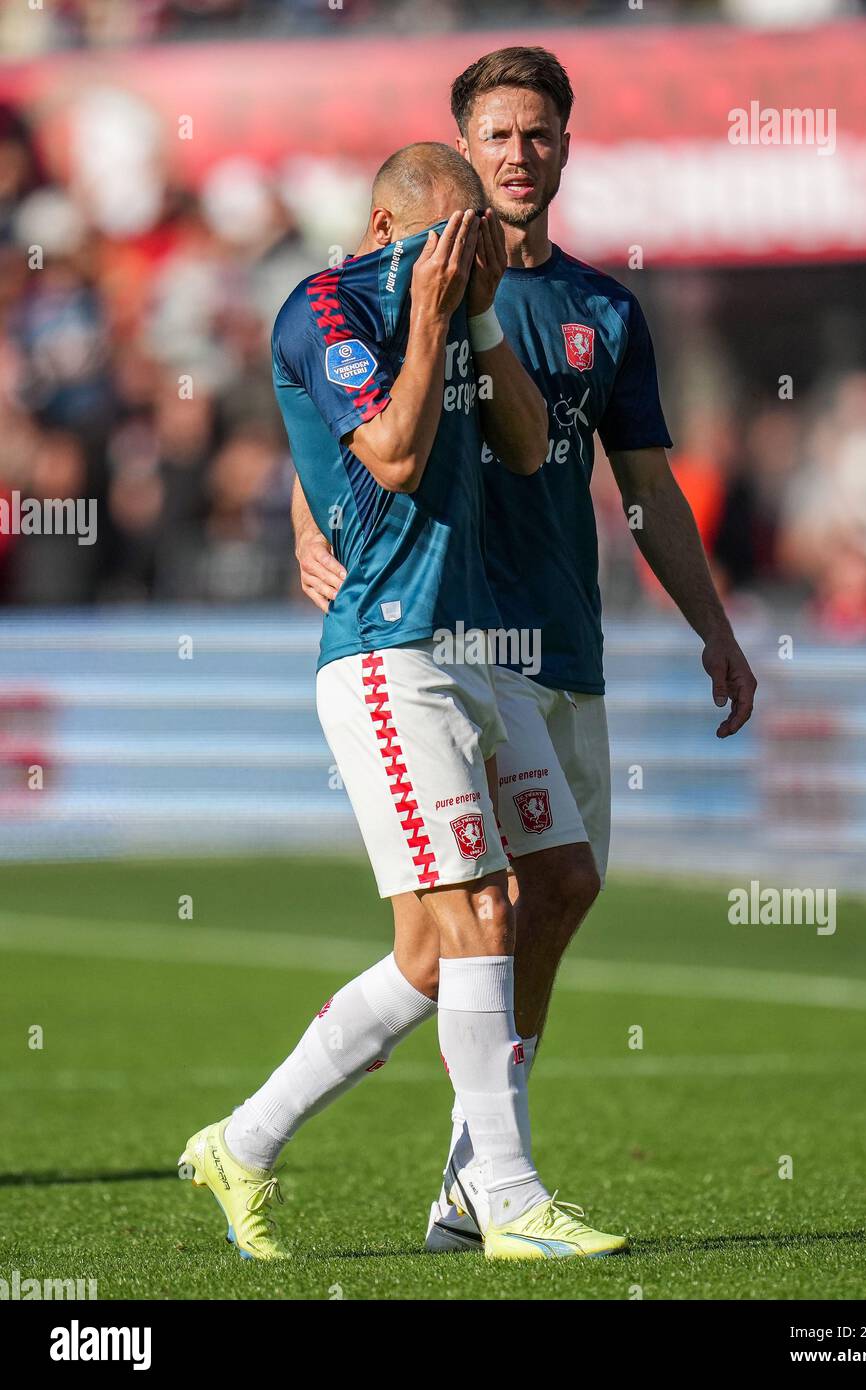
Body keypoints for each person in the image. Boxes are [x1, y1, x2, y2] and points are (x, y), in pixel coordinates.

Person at [292, 49, 758, 1253]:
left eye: (537, 133)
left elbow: (646, 489)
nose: (516, 152)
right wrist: (308, 516)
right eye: (495, 133)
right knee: (475, 917)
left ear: (564, 146)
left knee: (547, 897)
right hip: (450, 647)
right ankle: (490, 1177)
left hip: (565, 643)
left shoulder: (605, 311)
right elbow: (334, 417)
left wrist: (711, 622)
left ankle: (433, 1162)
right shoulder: (400, 282)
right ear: (463, 140)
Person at [180, 141, 628, 1262]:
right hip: (391, 650)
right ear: (386, 229)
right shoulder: (321, 309)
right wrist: (432, 320)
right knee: (475, 913)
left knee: (542, 888)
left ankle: (244, 1140)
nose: (466, 258)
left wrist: (474, 318)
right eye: (446, 241)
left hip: (480, 647)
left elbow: (528, 451)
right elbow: (384, 451)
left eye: (476, 241)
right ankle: (501, 1199)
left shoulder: (471, 308)